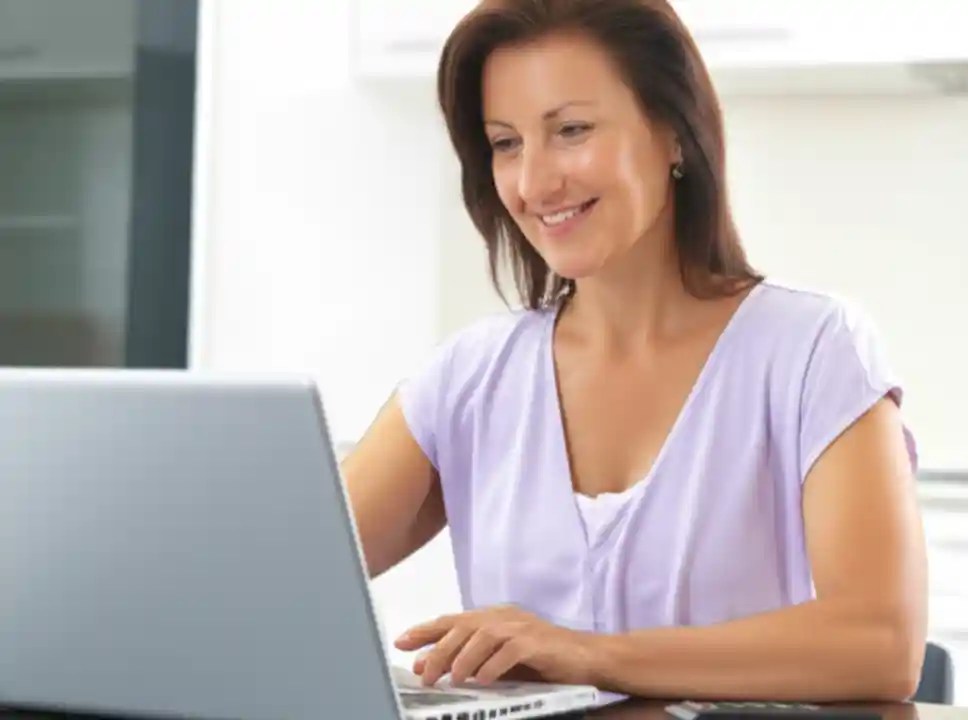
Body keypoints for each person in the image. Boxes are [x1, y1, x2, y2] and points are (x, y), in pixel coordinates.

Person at [339, 0, 927, 704]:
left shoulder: (812, 351)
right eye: (505, 143)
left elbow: (879, 645)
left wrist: (588, 655)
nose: (533, 183)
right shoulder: (470, 378)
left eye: (572, 130)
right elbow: (275, 573)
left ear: (674, 133)